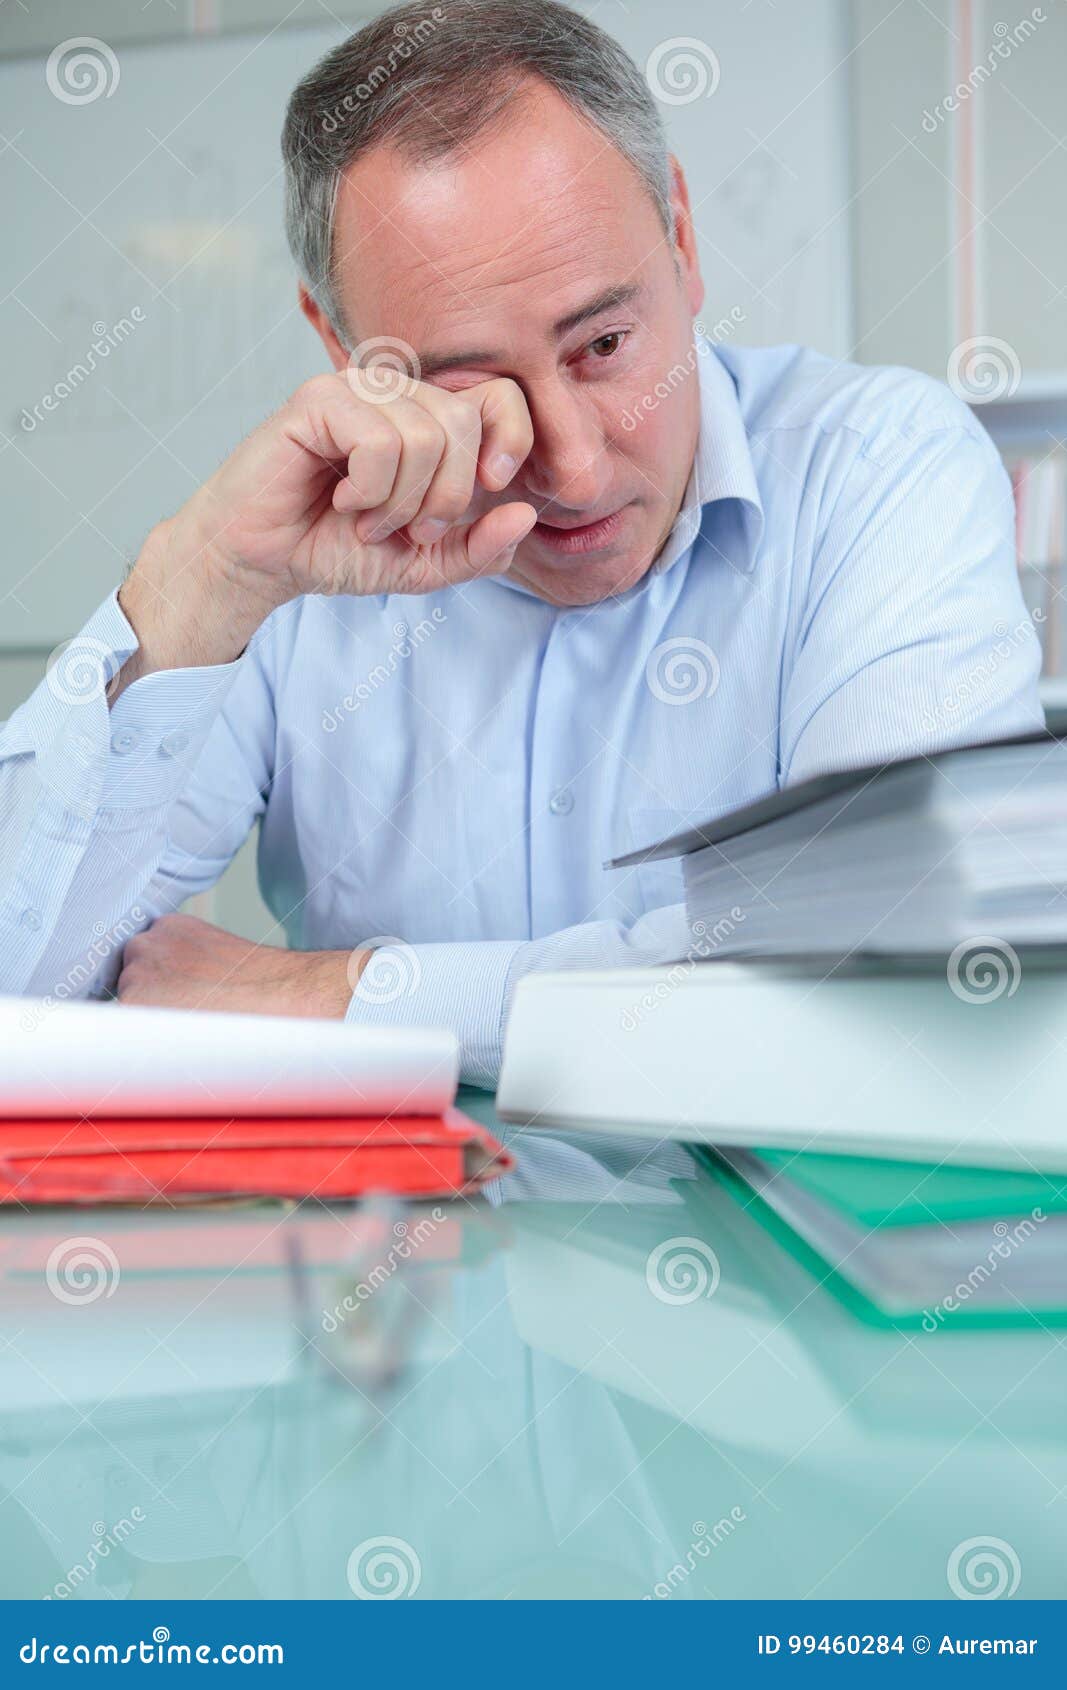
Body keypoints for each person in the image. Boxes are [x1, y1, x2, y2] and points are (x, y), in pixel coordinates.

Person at [0, 0, 1043, 1084]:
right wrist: (198, 581)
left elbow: (890, 979)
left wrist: (335, 995)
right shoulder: (295, 551)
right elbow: (21, 988)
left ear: (680, 238)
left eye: (601, 345)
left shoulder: (878, 467)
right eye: (472, 390)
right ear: (344, 349)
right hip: (392, 1257)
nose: (574, 469)